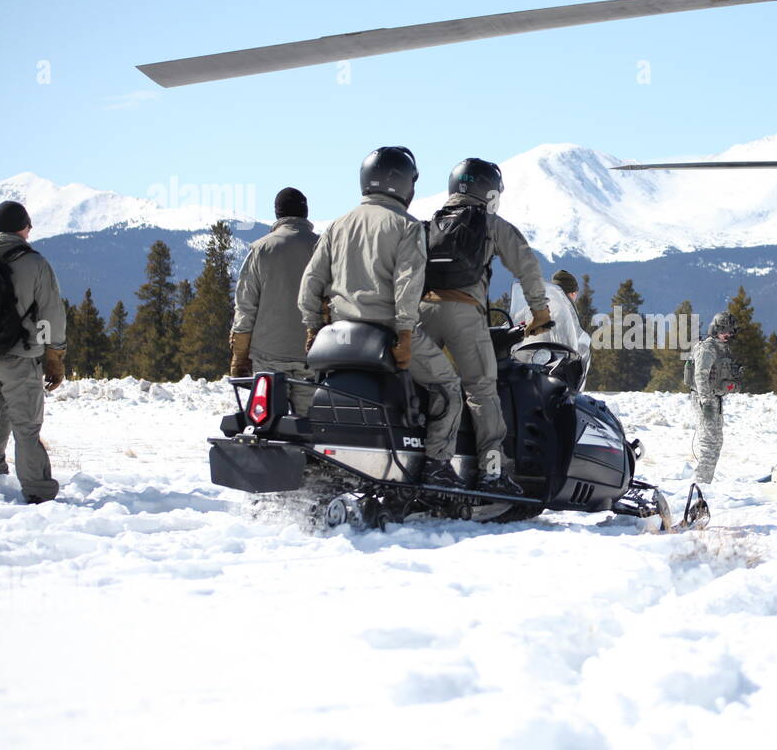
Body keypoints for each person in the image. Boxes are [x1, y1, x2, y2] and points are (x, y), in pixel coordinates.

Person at [297, 147, 463, 488]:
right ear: (402, 183)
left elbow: (310, 283)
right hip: (387, 331)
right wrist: (404, 334)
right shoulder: (405, 226)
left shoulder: (337, 225)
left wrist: (313, 326)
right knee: (447, 386)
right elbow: (408, 283)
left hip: (339, 335)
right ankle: (437, 463)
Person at [419, 157, 551, 495]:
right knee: (481, 390)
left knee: (425, 385)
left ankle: (422, 456)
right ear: (489, 192)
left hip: (421, 311)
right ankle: (492, 471)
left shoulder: (428, 223)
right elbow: (526, 266)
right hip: (463, 313)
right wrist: (539, 312)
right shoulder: (490, 223)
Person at [0, 201, 67, 503]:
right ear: (23, 227)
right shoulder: (34, 263)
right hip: (19, 358)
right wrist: (55, 356)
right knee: (26, 428)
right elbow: (52, 315)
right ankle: (37, 491)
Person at [230, 187, 319, 413]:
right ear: (305, 213)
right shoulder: (322, 247)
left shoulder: (261, 249)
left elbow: (245, 307)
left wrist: (239, 355)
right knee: (310, 426)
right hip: (312, 355)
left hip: (268, 356)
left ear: (278, 214)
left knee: (267, 425)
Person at [510, 268, 591, 386]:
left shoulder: (532, 309)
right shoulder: (566, 314)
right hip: (553, 370)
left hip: (526, 365)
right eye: (575, 294)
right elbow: (573, 344)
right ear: (572, 293)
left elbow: (512, 325)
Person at [688, 311, 741, 484]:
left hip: (715, 399)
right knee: (709, 444)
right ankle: (701, 484)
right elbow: (700, 377)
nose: (728, 334)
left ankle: (704, 481)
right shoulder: (707, 348)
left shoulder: (721, 348)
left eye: (730, 331)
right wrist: (706, 402)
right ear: (715, 329)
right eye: (724, 330)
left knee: (716, 443)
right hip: (706, 401)